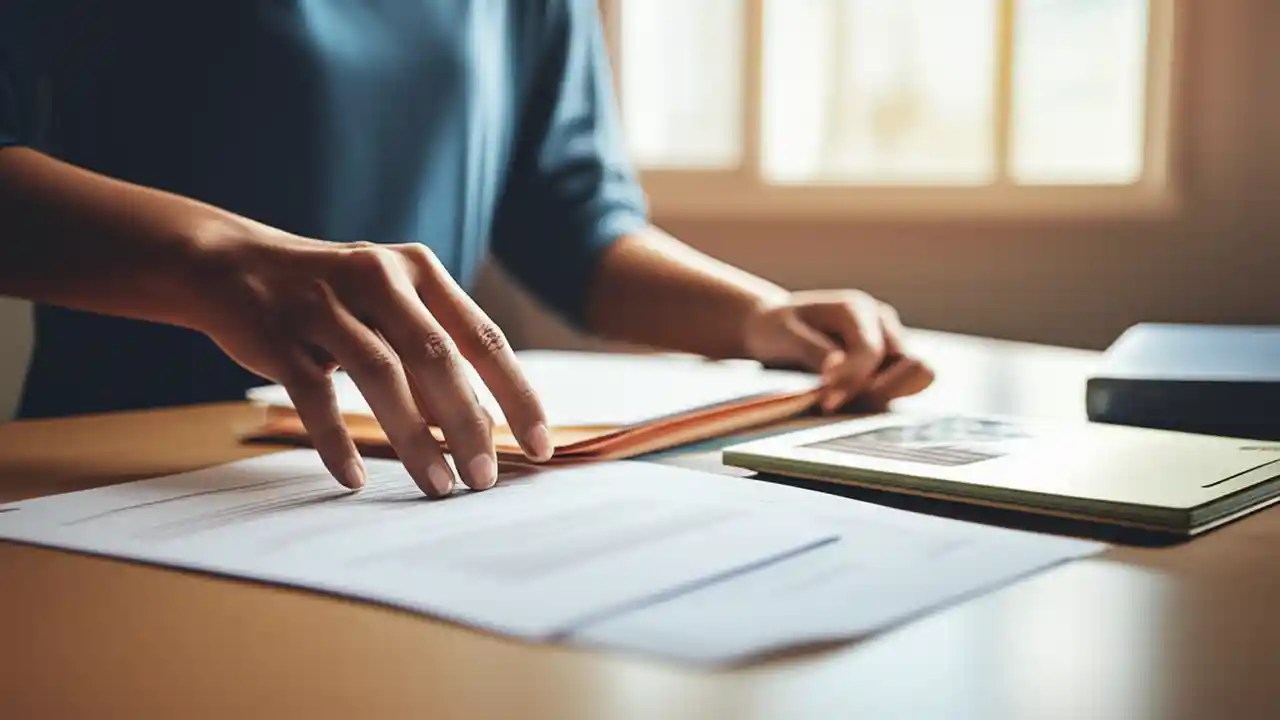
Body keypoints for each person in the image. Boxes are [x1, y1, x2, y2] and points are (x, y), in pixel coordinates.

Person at [0, 1, 933, 497]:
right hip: (111, 468)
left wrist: (758, 314)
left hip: (405, 485)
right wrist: (213, 260)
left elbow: (575, 227)